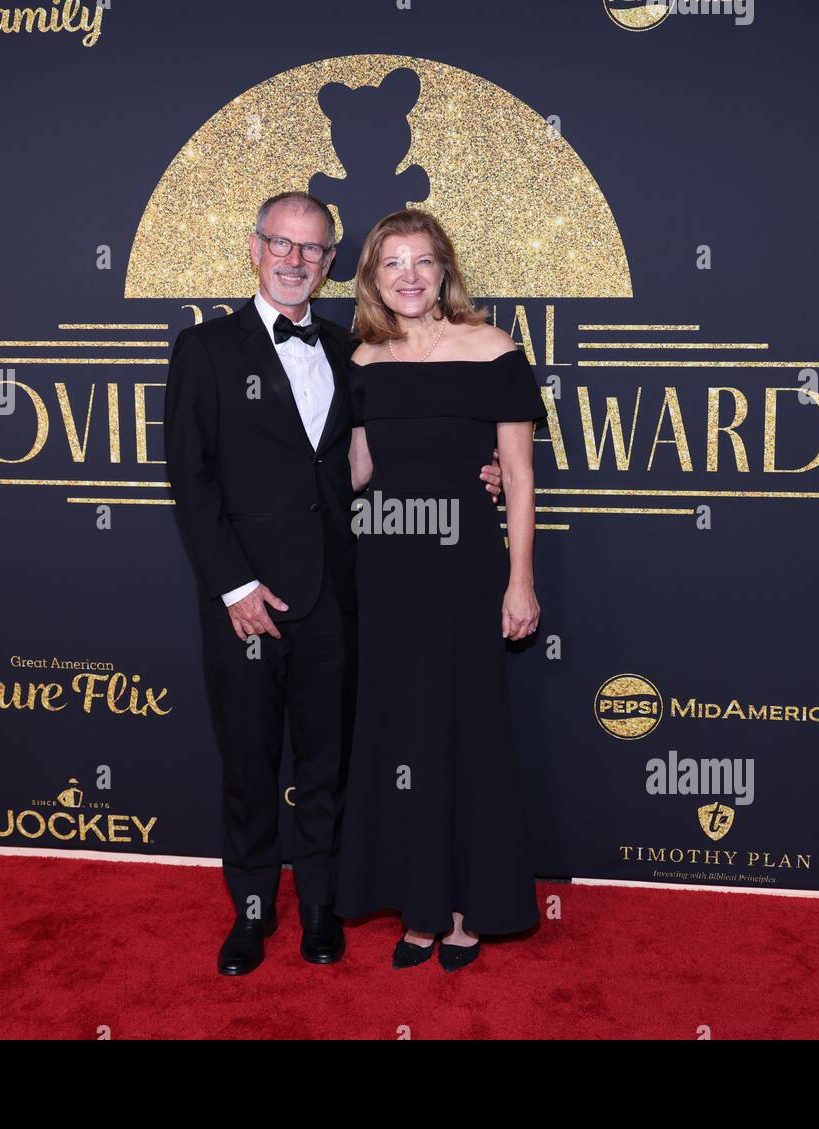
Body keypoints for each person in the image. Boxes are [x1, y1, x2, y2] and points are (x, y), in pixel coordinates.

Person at [163, 192, 503, 976]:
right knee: (251, 770)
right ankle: (250, 916)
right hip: (246, 604)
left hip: (341, 599)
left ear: (327, 265)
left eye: (312, 249)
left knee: (327, 767)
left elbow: (402, 444)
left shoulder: (357, 349)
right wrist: (234, 589)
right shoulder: (205, 349)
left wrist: (476, 472)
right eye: (281, 244)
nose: (294, 260)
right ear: (253, 249)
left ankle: (321, 908)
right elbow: (192, 482)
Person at [334, 208, 544, 972]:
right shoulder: (363, 359)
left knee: (466, 729)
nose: (410, 276)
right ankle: (419, 904)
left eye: (424, 261)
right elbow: (355, 470)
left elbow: (518, 479)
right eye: (393, 263)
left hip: (465, 571)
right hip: (386, 569)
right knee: (403, 732)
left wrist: (520, 580)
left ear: (445, 270)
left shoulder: (494, 351)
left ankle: (467, 906)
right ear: (373, 277)